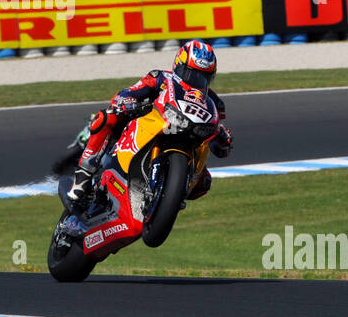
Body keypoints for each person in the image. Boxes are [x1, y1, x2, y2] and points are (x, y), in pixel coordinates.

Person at [67, 39, 233, 209]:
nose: (196, 81)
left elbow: (218, 143)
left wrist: (223, 139)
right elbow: (129, 92)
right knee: (106, 118)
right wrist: (127, 101)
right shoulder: (161, 77)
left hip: (189, 143)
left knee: (204, 182)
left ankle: (170, 197)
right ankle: (83, 178)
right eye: (191, 74)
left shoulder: (214, 102)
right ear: (179, 67)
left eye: (203, 78)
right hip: (154, 123)